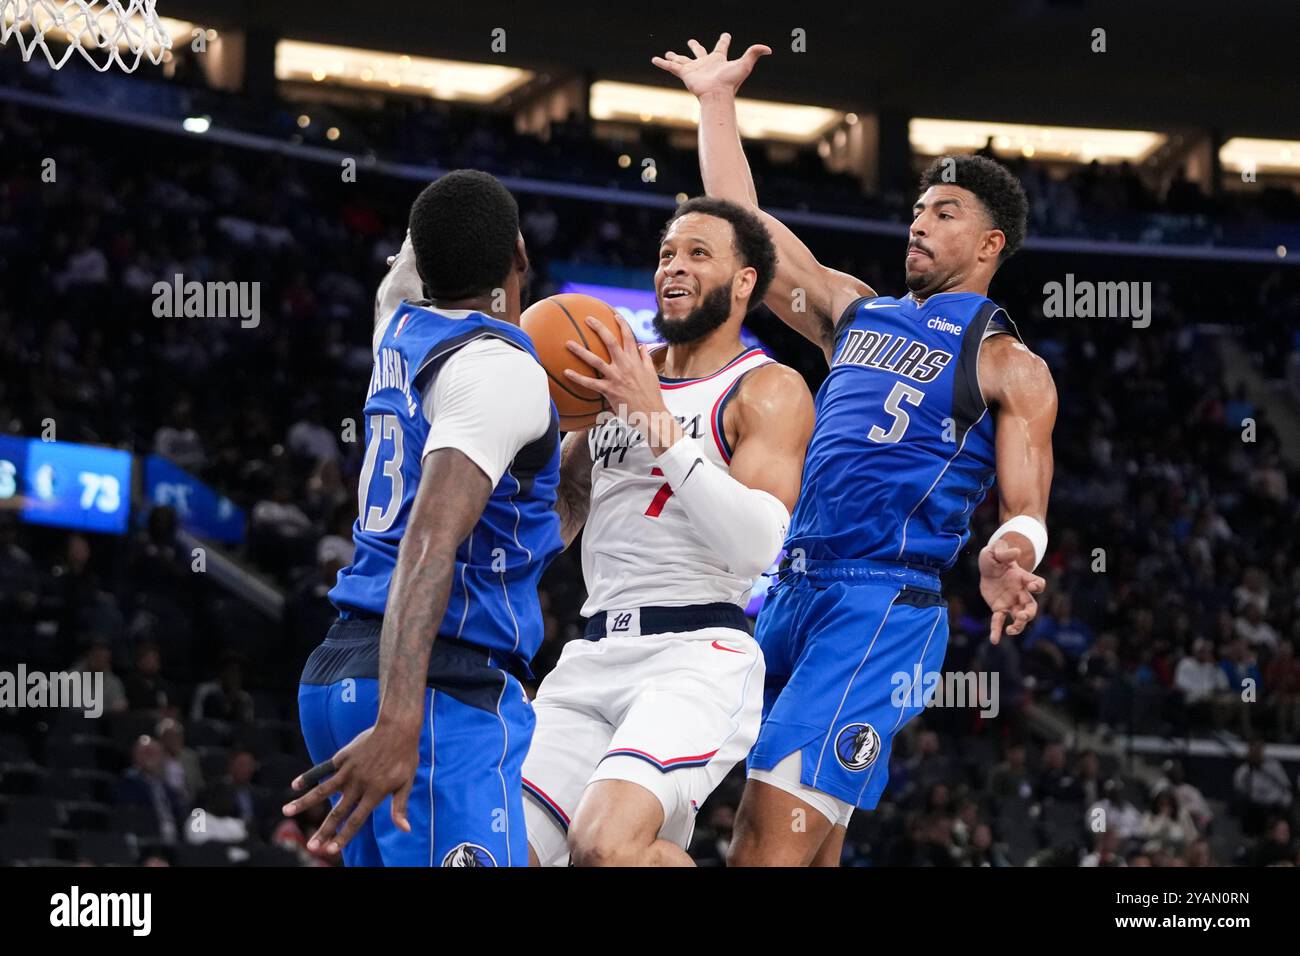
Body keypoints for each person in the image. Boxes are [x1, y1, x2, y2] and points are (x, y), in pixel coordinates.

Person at [656, 34, 1056, 866]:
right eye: (917, 209)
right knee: (789, 834)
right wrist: (716, 104)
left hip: (881, 605)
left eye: (945, 214)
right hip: (790, 587)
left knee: (764, 842)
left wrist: (1009, 553)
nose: (919, 221)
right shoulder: (856, 314)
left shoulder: (1007, 363)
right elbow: (748, 234)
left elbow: (1025, 508)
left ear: (990, 247)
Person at [521, 197, 814, 866]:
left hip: (696, 655)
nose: (674, 268)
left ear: (745, 282)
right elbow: (563, 517)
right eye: (666, 255)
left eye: (698, 255)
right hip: (593, 652)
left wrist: (656, 422)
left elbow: (757, 544)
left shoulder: (767, 387)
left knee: (603, 847)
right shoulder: (616, 376)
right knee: (502, 847)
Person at [284, 170, 563, 867]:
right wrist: (400, 718)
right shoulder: (501, 369)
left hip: (344, 668)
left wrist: (582, 464)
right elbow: (431, 541)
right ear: (520, 255)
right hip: (431, 686)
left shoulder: (395, 325)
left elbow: (501, 539)